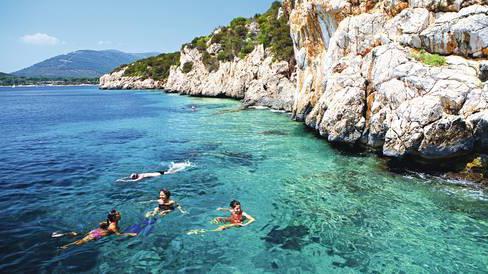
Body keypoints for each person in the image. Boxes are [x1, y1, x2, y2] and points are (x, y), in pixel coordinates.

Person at [60, 209, 136, 249]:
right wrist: (130, 234)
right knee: (80, 242)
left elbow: (101, 223)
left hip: (95, 231)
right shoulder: (114, 226)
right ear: (114, 218)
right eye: (118, 214)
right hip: (96, 235)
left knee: (82, 236)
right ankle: (66, 246)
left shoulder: (109, 221)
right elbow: (119, 234)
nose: (120, 215)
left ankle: (68, 234)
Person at [117, 161, 192, 182]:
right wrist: (122, 178)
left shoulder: (141, 176)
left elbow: (134, 181)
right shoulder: (140, 174)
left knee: (172, 172)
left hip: (158, 174)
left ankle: (184, 167)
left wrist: (124, 181)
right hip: (157, 172)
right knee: (169, 171)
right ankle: (178, 166)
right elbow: (130, 177)